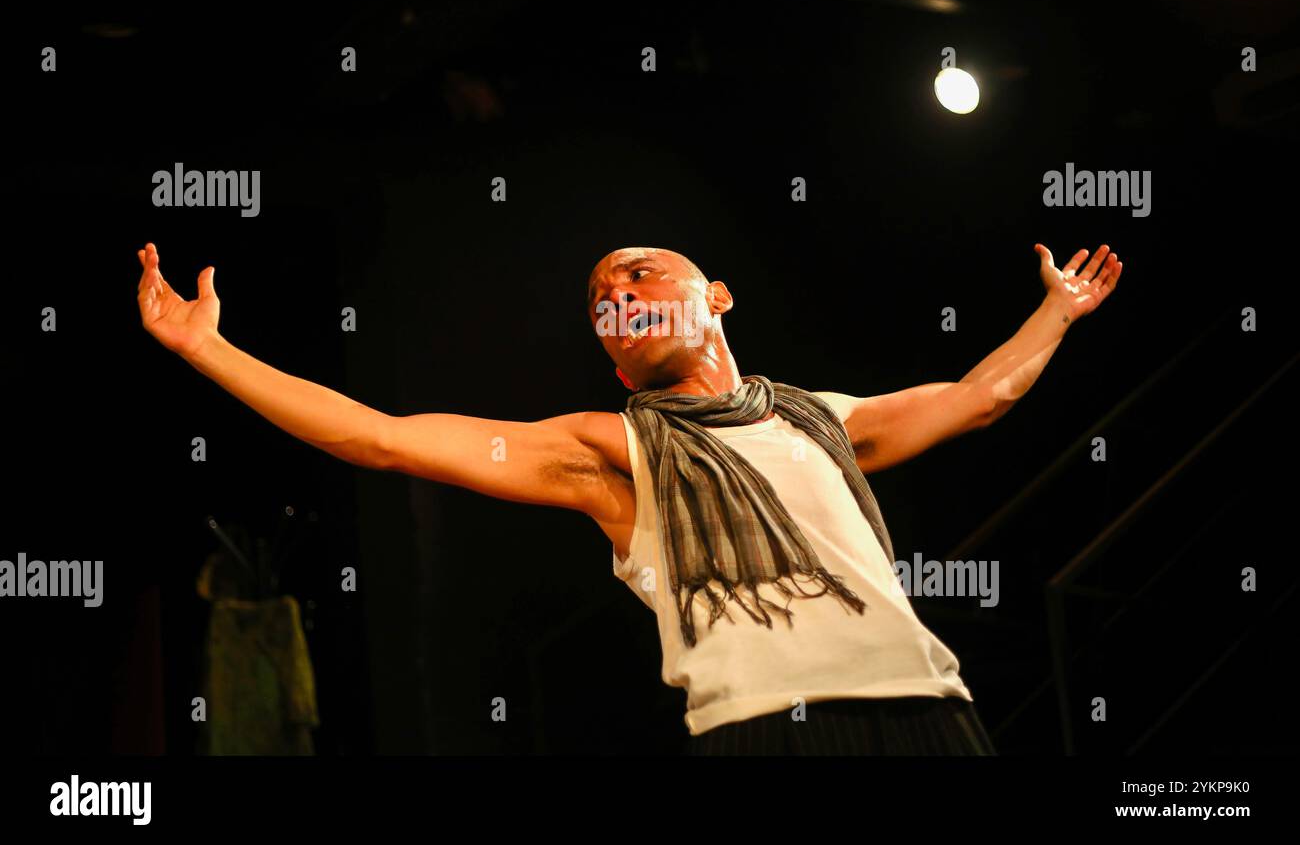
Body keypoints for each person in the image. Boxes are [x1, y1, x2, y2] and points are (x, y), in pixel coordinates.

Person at [136, 240, 1122, 754]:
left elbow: (979, 398)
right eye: (605, 300)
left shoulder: (824, 415)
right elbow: (379, 438)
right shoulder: (609, 449)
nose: (620, 289)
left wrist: (1058, 308)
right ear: (613, 362)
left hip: (930, 710)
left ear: (717, 296)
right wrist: (209, 348)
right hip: (769, 726)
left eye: (642, 271)